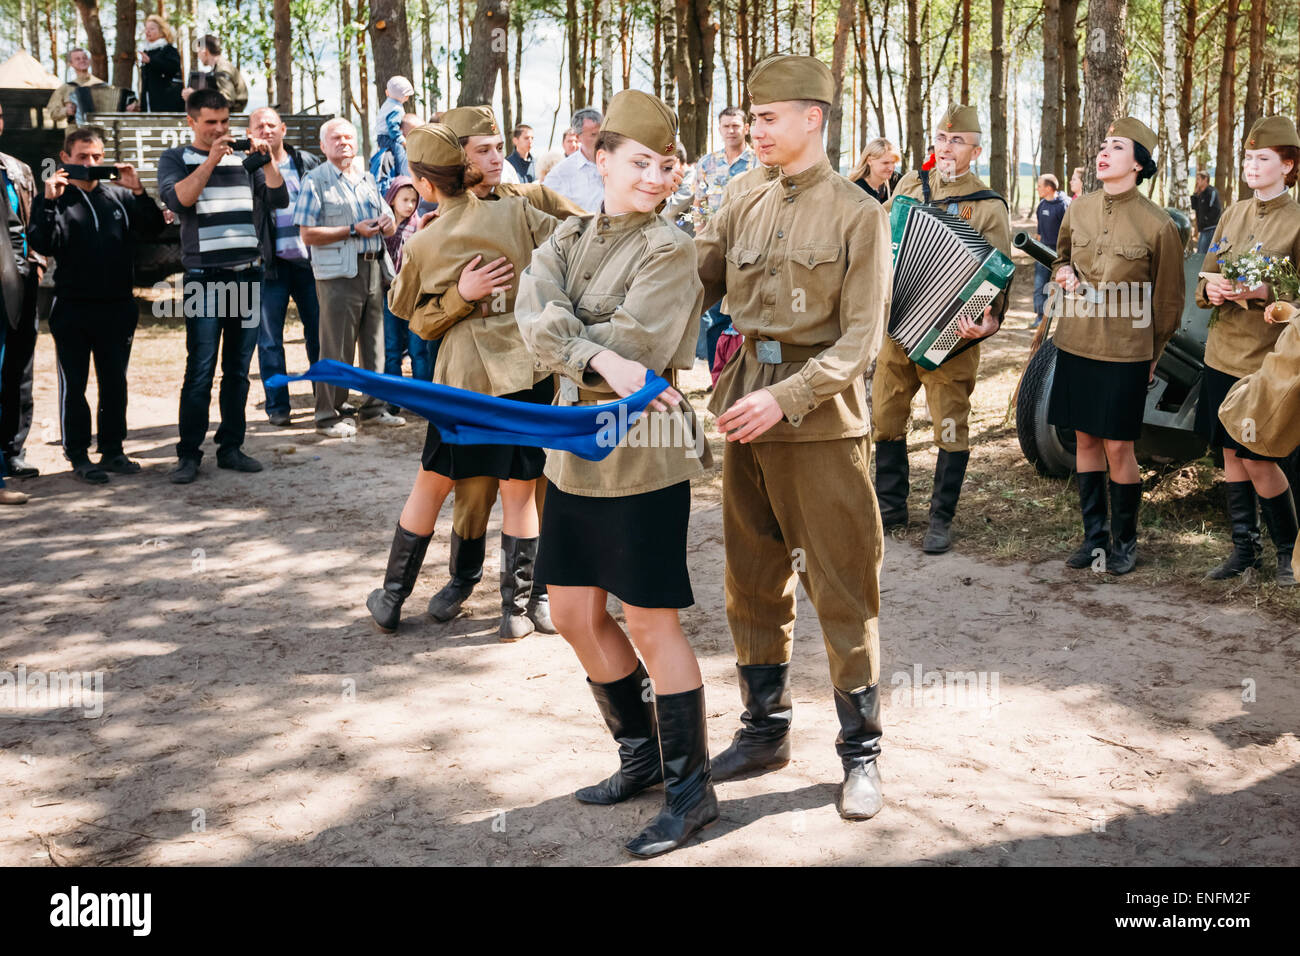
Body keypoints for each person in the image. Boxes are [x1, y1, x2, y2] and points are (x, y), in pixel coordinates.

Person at [517, 89, 717, 858]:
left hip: (642, 457)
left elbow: (642, 341)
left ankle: (692, 792)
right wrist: (595, 352)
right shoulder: (566, 239)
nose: (654, 177)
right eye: (639, 163)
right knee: (570, 611)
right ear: (599, 159)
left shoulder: (671, 250)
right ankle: (639, 757)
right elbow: (534, 318)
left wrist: (587, 344)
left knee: (650, 620)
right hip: (572, 457)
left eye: (665, 166)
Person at [694, 55, 892, 820]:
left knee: (842, 583)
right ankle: (764, 729)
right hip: (743, 402)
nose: (755, 129)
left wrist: (789, 397)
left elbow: (859, 343)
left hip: (818, 421)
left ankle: (862, 754)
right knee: (750, 576)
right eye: (753, 117)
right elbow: (693, 279)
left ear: (813, 118)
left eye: (769, 117)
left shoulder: (856, 212)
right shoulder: (742, 198)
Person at [370, 123, 557, 643]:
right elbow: (570, 239)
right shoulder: (517, 212)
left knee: (431, 484)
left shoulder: (425, 240)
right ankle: (516, 610)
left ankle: (390, 597)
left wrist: (456, 296)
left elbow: (406, 312)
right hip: (525, 372)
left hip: (463, 384)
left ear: (423, 184)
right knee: (520, 493)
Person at [418, 104, 587, 634]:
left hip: (531, 368)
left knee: (533, 481)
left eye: (498, 147)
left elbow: (589, 233)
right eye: (481, 150)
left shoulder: (530, 199)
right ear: (457, 159)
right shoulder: (440, 221)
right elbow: (421, 315)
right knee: (470, 488)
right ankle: (462, 578)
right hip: (470, 375)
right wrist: (461, 297)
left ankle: (534, 590)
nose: (495, 159)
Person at [872, 104, 1012, 554]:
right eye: (940, 138)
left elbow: (997, 273)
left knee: (949, 423)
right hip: (898, 323)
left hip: (951, 335)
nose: (946, 147)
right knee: (885, 417)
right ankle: (890, 507)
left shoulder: (988, 205)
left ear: (975, 149)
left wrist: (988, 321)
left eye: (957, 141)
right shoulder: (912, 183)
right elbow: (884, 237)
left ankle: (940, 518)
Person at [1049, 117, 1185, 575]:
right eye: (1104, 145)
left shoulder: (1158, 225)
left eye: (1117, 146)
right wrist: (1062, 274)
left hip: (1125, 352)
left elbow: (1167, 303)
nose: (1104, 152)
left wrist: (1153, 356)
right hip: (1075, 342)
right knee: (1085, 439)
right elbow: (1061, 260)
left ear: (1139, 164)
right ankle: (1093, 539)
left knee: (1118, 447)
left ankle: (1125, 542)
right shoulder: (1078, 209)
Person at [158, 88, 286, 484]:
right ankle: (189, 454)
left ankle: (231, 447)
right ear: (191, 122)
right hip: (204, 277)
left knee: (237, 370)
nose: (218, 129)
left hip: (247, 272)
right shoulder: (177, 158)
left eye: (224, 122)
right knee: (199, 368)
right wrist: (212, 160)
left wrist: (266, 162)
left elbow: (278, 199)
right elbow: (180, 201)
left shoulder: (245, 158)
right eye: (209, 122)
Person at [1194, 116, 1300, 587]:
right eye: (1247, 158)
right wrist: (1213, 289)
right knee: (1231, 455)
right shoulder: (1233, 214)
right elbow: (1206, 272)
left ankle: (1286, 552)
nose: (1251, 167)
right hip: (1222, 352)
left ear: (1289, 165)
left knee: (1258, 455)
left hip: (1267, 360)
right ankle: (1244, 550)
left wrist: (1262, 293)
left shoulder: (1297, 222)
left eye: (1263, 159)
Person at [28, 127, 165, 483]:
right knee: (74, 384)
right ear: (65, 158)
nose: (90, 163)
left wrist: (138, 190)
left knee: (114, 381)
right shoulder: (57, 199)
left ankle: (113, 450)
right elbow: (42, 241)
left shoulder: (118, 196)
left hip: (118, 306)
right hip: (72, 307)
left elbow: (151, 230)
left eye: (97, 157)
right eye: (82, 157)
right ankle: (78, 455)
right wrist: (48, 200)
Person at [295, 118, 403, 438]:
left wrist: (388, 223)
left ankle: (373, 408)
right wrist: (352, 230)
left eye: (349, 137)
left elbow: (392, 224)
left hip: (372, 269)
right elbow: (307, 234)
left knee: (374, 345)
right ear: (324, 146)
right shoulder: (315, 180)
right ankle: (328, 415)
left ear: (357, 143)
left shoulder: (367, 178)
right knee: (336, 347)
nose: (344, 142)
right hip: (337, 274)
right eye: (336, 138)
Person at [249, 107, 322, 427]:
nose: (266, 130)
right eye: (258, 126)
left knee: (319, 336)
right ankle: (278, 407)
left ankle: (326, 403)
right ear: (250, 131)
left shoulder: (306, 162)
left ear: (283, 129)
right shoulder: (248, 167)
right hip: (270, 267)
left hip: (310, 264)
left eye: (271, 125)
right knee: (269, 341)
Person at [0, 102, 43, 503]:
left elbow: (32, 223)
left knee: (18, 369)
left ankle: (12, 452)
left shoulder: (18, 169)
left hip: (21, 280)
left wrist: (37, 260)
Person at [693, 107, 757, 367]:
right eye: (726, 126)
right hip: (717, 249)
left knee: (746, 316)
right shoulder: (707, 163)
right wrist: (701, 235)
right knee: (716, 318)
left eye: (735, 125)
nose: (731, 130)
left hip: (751, 248)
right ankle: (717, 374)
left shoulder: (758, 162)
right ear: (719, 129)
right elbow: (700, 203)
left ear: (746, 128)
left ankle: (745, 372)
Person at [380, 175, 434, 395]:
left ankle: (422, 397)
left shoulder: (420, 226)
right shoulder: (383, 228)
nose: (410, 205)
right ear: (392, 199)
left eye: (414, 200)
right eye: (405, 200)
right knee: (392, 349)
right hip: (388, 295)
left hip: (414, 296)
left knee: (418, 349)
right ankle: (394, 399)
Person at [544, 108, 604, 211]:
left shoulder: (617, 164)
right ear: (578, 137)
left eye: (602, 133)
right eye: (593, 134)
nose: (601, 139)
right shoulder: (561, 173)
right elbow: (543, 204)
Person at [1032, 173, 1068, 329]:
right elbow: (1039, 232)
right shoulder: (1041, 205)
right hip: (1042, 251)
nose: (1037, 188)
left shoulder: (1064, 205)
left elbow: (1069, 233)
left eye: (1039, 186)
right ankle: (1040, 317)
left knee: (1062, 287)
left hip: (1060, 254)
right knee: (1040, 286)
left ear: (1048, 188)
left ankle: (1065, 320)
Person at [369, 77, 414, 191]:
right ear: (404, 96)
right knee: (399, 154)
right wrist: (402, 141)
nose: (408, 98)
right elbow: (393, 128)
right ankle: (401, 175)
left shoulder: (388, 103)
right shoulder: (396, 108)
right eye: (407, 95)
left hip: (383, 137)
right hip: (389, 137)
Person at [183, 35, 248, 113]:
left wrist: (195, 95)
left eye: (198, 52)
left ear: (205, 51)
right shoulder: (220, 67)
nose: (198, 56)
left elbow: (227, 100)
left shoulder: (222, 69)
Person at [45, 49, 105, 127]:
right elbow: (53, 114)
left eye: (85, 58)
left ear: (89, 61)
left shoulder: (102, 85)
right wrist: (66, 111)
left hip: (99, 129)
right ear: (70, 64)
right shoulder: (65, 88)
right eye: (77, 59)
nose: (82, 60)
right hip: (75, 131)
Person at [136, 15, 184, 112]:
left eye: (152, 29)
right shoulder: (147, 51)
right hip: (150, 103)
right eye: (146, 28)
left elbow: (173, 67)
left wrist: (151, 61)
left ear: (162, 32)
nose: (147, 31)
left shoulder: (169, 50)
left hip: (168, 104)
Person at [372, 114, 421, 195]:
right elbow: (379, 191)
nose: (421, 138)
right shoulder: (386, 157)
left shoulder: (420, 155)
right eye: (416, 133)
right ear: (401, 134)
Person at [849, 137, 902, 205]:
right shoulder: (856, 191)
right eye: (885, 163)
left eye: (893, 162)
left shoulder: (896, 180)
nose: (891, 168)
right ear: (869, 161)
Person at [1191, 171, 1223, 255]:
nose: (1197, 181)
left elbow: (1216, 210)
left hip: (1210, 228)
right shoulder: (1201, 193)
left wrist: (1206, 220)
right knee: (1200, 253)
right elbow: (1194, 207)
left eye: (1198, 179)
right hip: (1203, 229)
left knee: (1202, 254)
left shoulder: (1211, 192)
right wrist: (1195, 194)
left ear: (1205, 179)